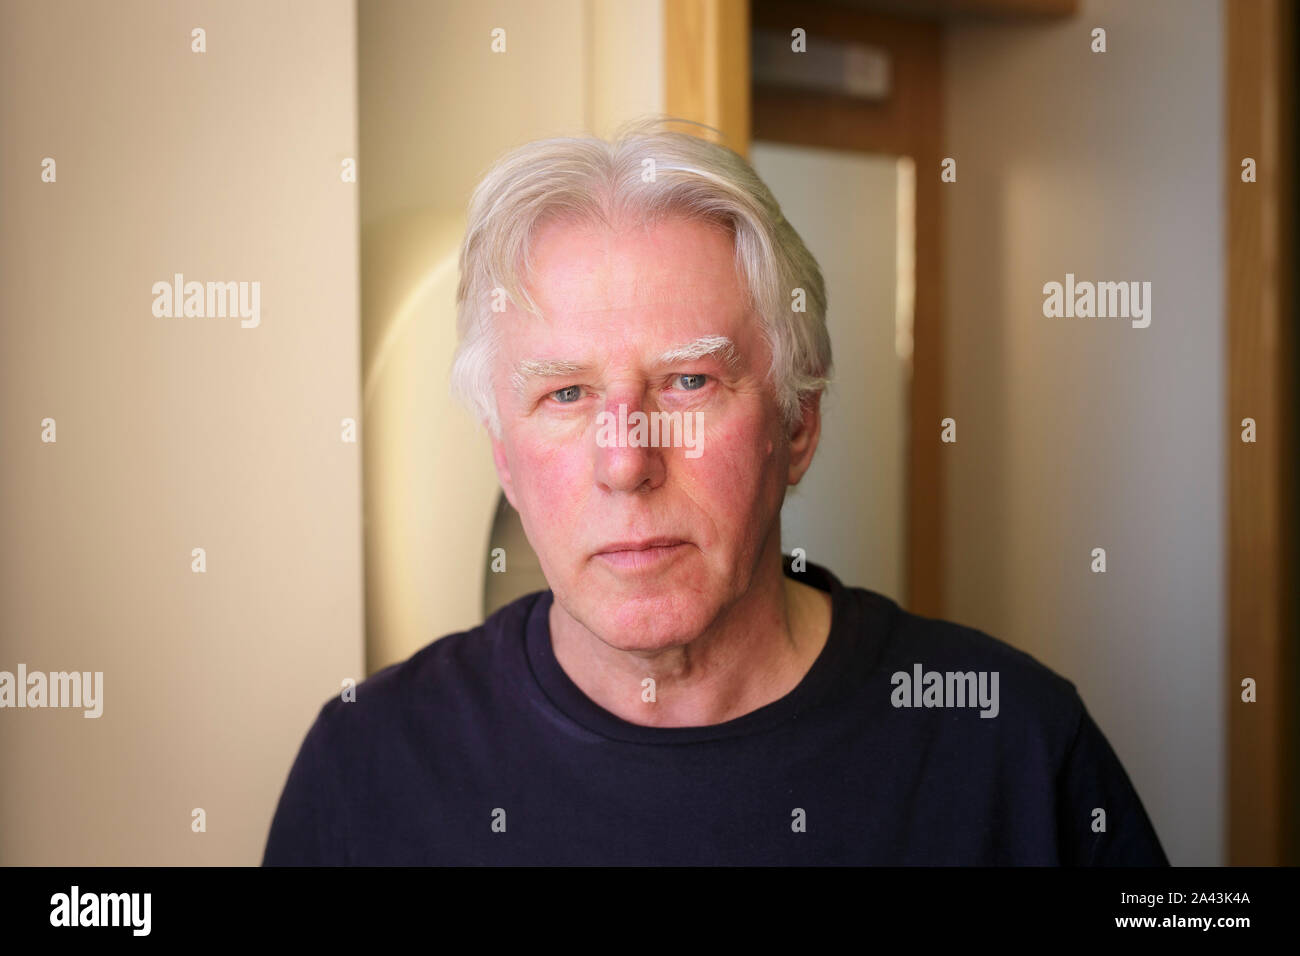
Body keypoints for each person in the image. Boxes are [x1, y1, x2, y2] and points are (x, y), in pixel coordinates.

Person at [263, 118, 1168, 866]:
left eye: (689, 384)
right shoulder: (369, 765)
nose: (627, 461)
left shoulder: (1009, 743)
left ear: (798, 426)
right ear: (504, 454)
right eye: (566, 395)